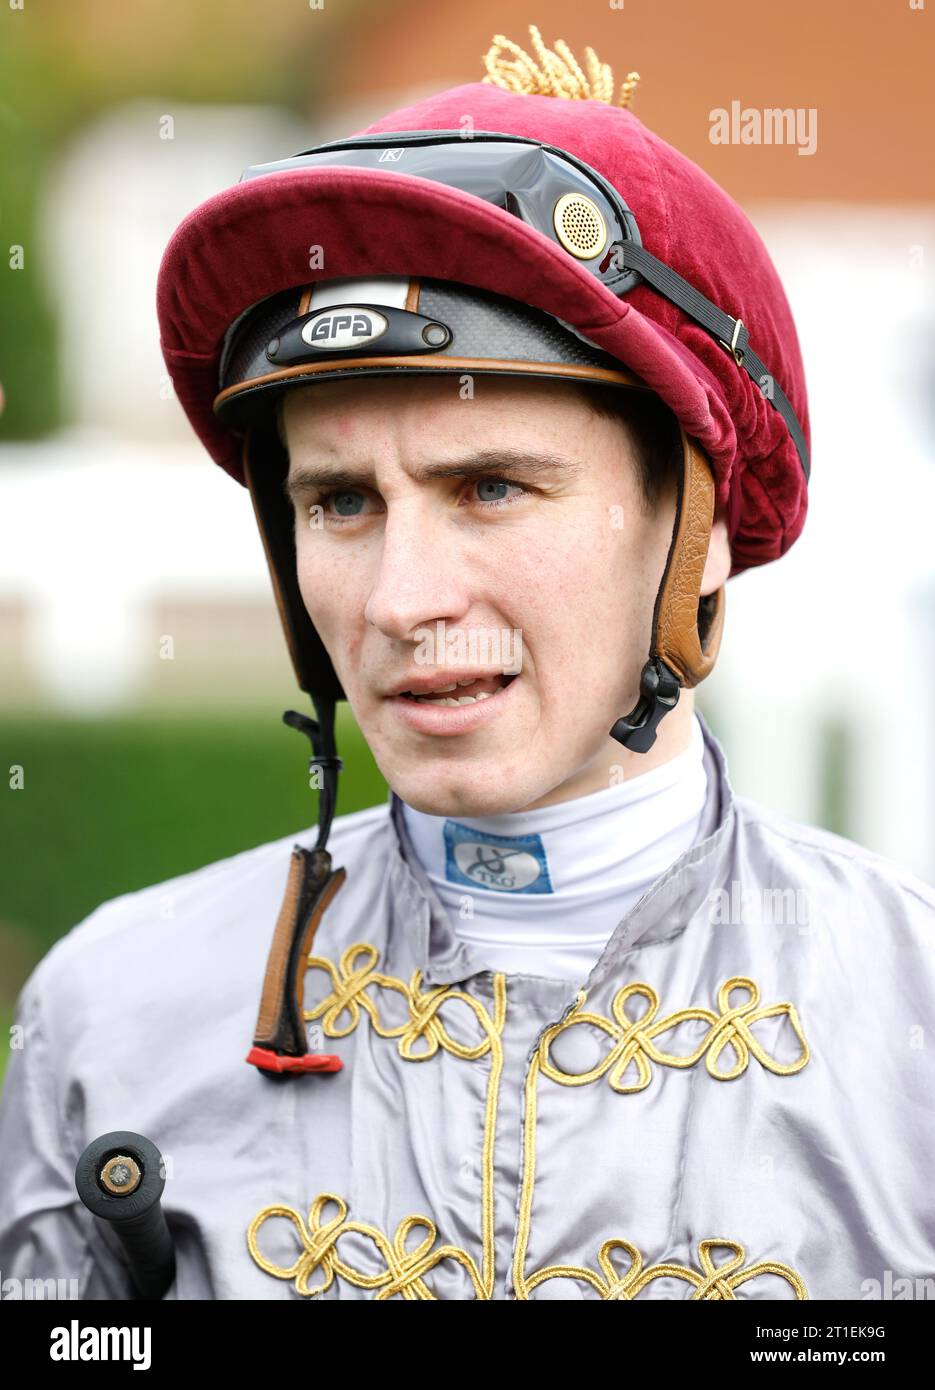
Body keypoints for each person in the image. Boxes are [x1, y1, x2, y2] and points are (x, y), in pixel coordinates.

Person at [1, 26, 933, 1303]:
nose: (399, 599)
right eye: (338, 502)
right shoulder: (106, 1015)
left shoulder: (914, 1022)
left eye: (489, 485)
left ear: (701, 527)